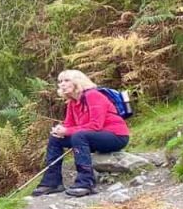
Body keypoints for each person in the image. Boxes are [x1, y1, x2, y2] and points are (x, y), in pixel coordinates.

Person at [32, 69, 130, 198]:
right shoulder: (73, 102)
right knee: (55, 138)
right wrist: (60, 130)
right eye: (60, 81)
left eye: (67, 80)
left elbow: (96, 125)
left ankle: (86, 182)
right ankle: (52, 182)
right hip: (92, 136)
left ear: (78, 82)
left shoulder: (93, 96)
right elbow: (69, 124)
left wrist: (67, 131)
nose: (62, 84)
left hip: (116, 136)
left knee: (79, 135)